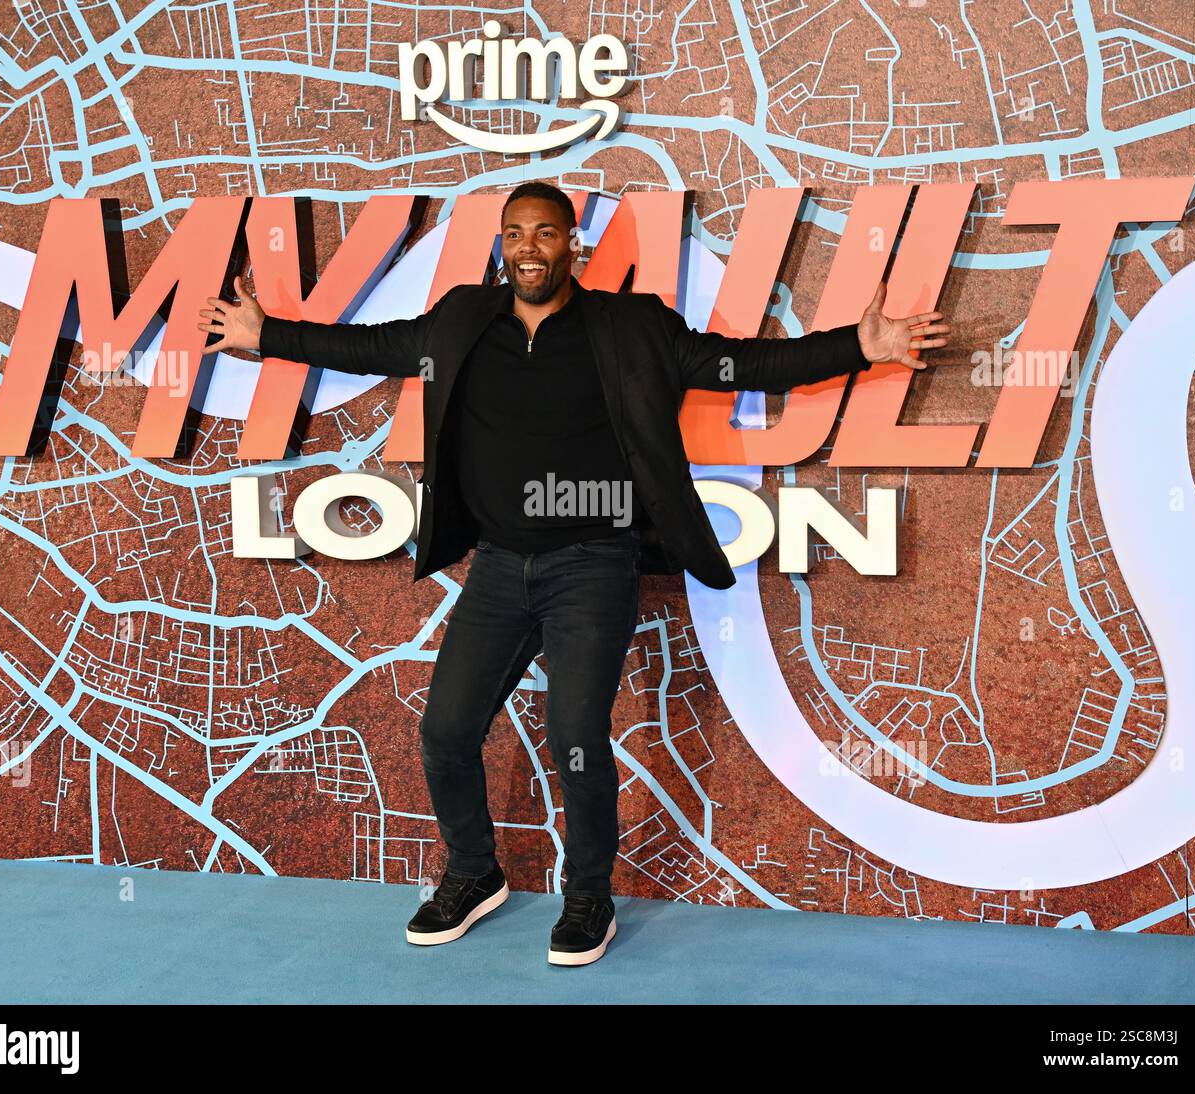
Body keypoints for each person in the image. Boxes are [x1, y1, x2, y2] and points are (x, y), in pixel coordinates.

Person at [197, 181, 952, 966]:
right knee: (445, 731)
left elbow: (745, 365)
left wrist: (859, 347)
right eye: (516, 233)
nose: (530, 247)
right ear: (502, 244)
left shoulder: (629, 328)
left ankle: (588, 893)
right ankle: (473, 872)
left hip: (594, 563)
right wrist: (267, 333)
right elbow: (369, 347)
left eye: (546, 233)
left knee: (575, 739)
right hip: (496, 566)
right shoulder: (462, 321)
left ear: (572, 247)